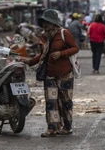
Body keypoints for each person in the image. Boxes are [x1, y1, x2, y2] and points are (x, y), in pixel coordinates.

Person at [27, 9, 80, 137]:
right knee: (51, 102)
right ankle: (52, 128)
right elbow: (43, 55)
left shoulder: (64, 33)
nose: (45, 25)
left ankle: (67, 127)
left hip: (65, 74)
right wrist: (29, 62)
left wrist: (61, 53)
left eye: (47, 22)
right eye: (44, 22)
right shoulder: (45, 37)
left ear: (54, 24)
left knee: (66, 102)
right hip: (49, 74)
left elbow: (75, 48)